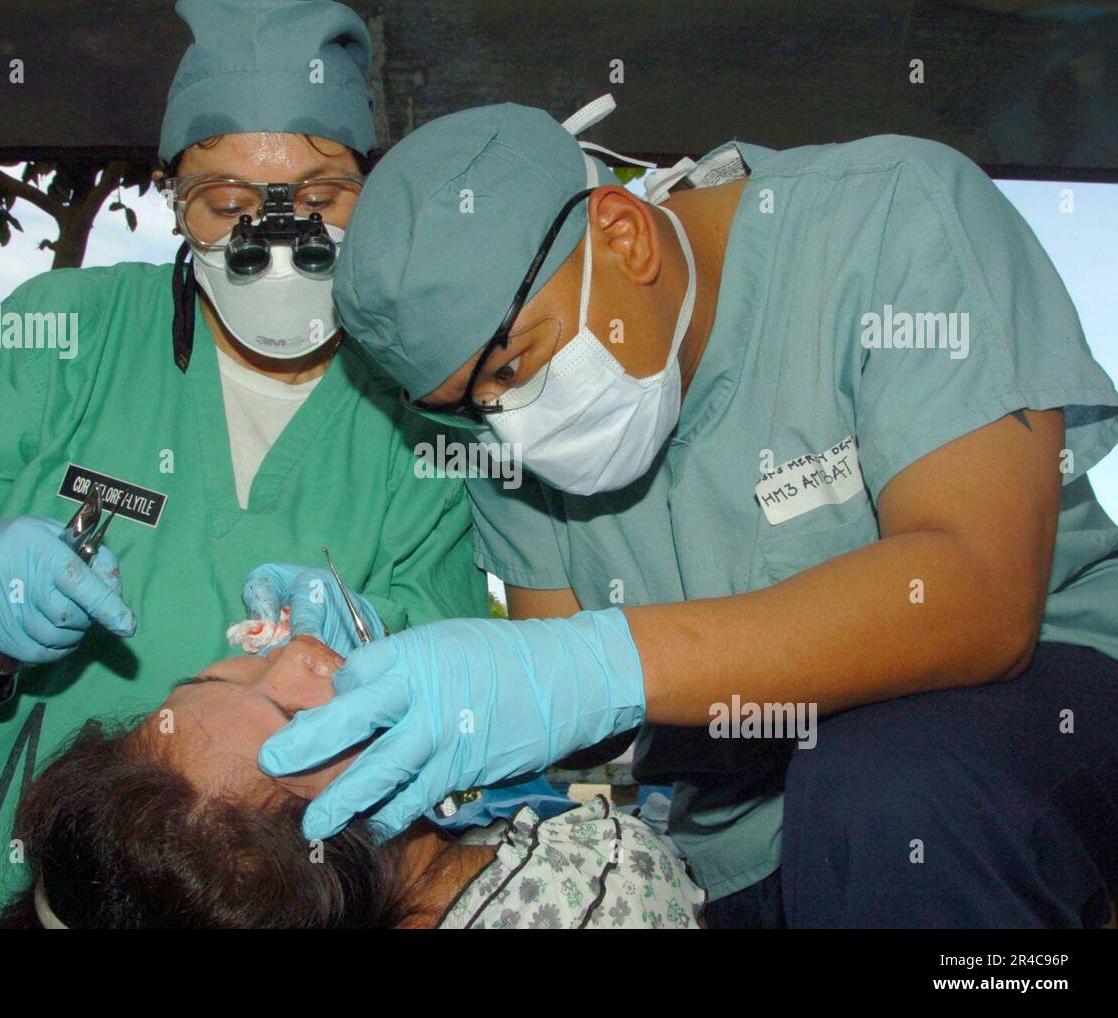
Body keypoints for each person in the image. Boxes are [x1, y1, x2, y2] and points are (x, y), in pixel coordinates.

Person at [251, 99, 1118, 928]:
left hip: (1020, 718)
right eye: (470, 406)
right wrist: (392, 683)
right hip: (736, 845)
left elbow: (975, 596)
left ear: (623, 237)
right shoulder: (508, 442)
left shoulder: (890, 219)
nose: (511, 423)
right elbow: (586, 729)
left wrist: (594, 663)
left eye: (514, 367)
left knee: (884, 787)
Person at [0, 0, 485, 928]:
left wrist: (376, 654)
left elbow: (456, 717)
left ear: (371, 193)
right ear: (174, 197)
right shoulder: (65, 335)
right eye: (229, 203)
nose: (280, 239)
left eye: (322, 197)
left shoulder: (419, 418)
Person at [0, 636, 704, 929]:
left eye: (209, 677)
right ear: (347, 828)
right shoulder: (606, 884)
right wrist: (595, 665)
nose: (295, 647)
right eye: (290, 707)